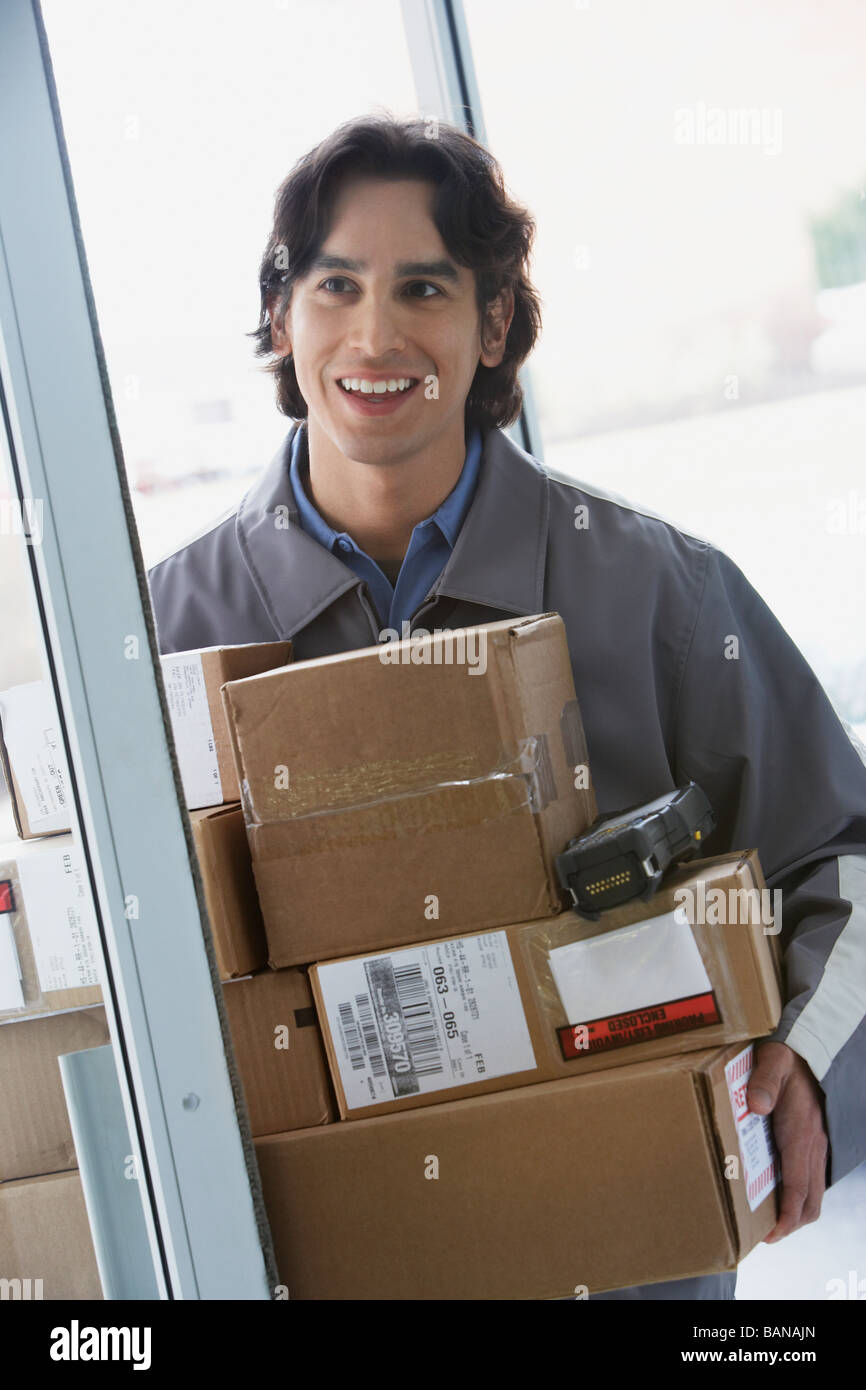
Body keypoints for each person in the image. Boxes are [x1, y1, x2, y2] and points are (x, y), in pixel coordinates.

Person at [147, 113, 866, 1301]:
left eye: (423, 287)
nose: (374, 334)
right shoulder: (166, 634)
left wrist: (805, 1051)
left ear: (490, 325)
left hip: (630, 1265)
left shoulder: (655, 593)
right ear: (283, 317)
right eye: (336, 286)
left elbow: (839, 854)